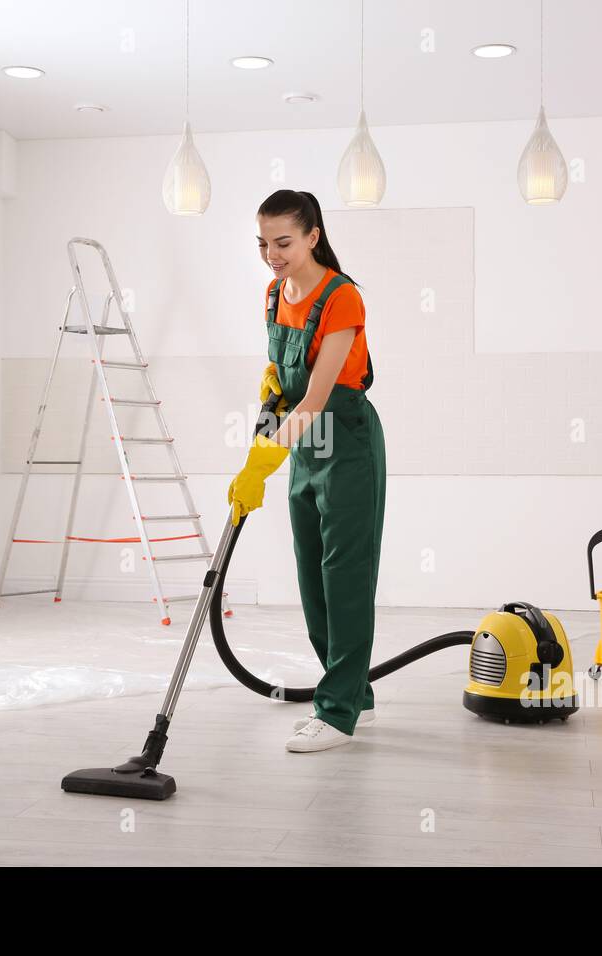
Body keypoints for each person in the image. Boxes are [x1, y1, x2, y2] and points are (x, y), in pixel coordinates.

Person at [227, 189, 387, 753]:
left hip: (343, 438)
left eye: (284, 242)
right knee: (312, 576)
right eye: (264, 243)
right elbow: (285, 374)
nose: (272, 254)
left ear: (313, 236)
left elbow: (316, 400)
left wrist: (261, 460)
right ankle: (353, 694)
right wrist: (270, 387)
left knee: (346, 576)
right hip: (303, 445)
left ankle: (337, 712)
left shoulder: (343, 298)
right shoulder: (274, 293)